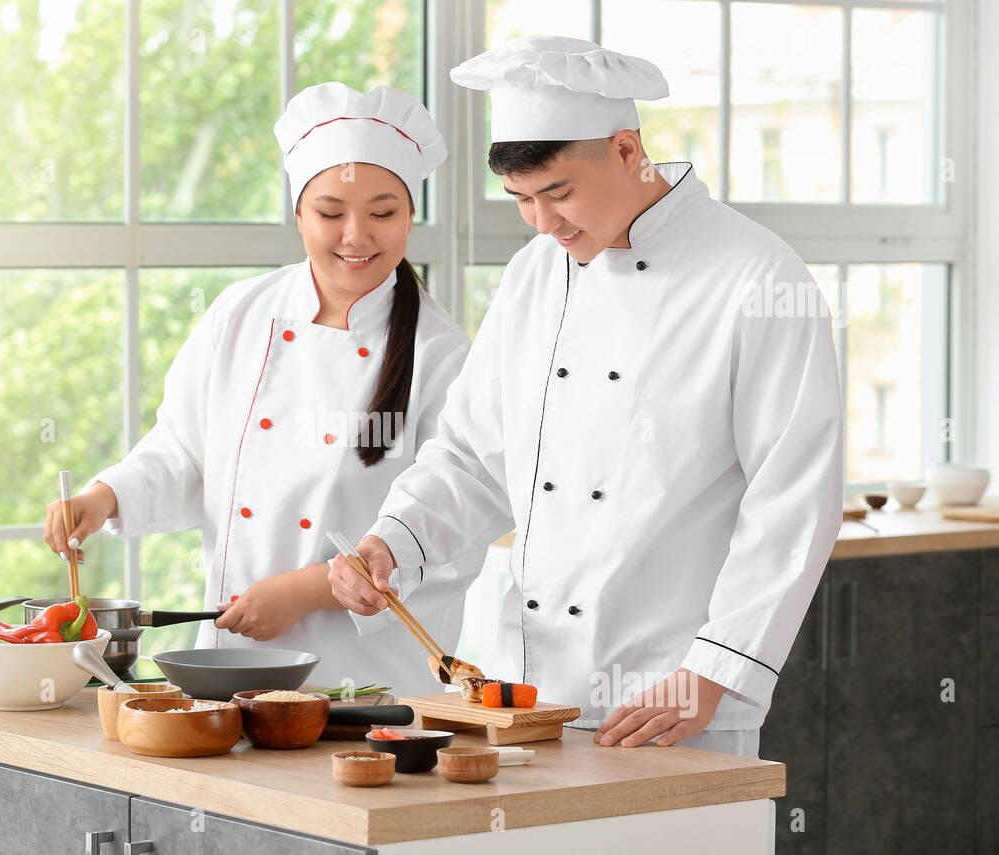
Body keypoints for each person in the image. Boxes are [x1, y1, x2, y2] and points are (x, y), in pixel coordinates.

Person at [329, 36, 844, 757]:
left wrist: (717, 670)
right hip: (515, 696)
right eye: (521, 201)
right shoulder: (534, 273)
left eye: (558, 193)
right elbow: (475, 457)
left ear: (628, 151)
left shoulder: (756, 278)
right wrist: (395, 540)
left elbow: (793, 497)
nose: (544, 223)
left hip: (666, 699)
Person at [43, 82, 481, 697]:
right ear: (299, 214)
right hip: (228, 672)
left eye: (383, 213)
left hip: (360, 691)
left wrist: (306, 591)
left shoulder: (441, 354)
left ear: (411, 216)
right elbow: (185, 452)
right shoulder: (241, 313)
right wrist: (104, 497)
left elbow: (449, 525)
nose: (356, 235)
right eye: (331, 213)